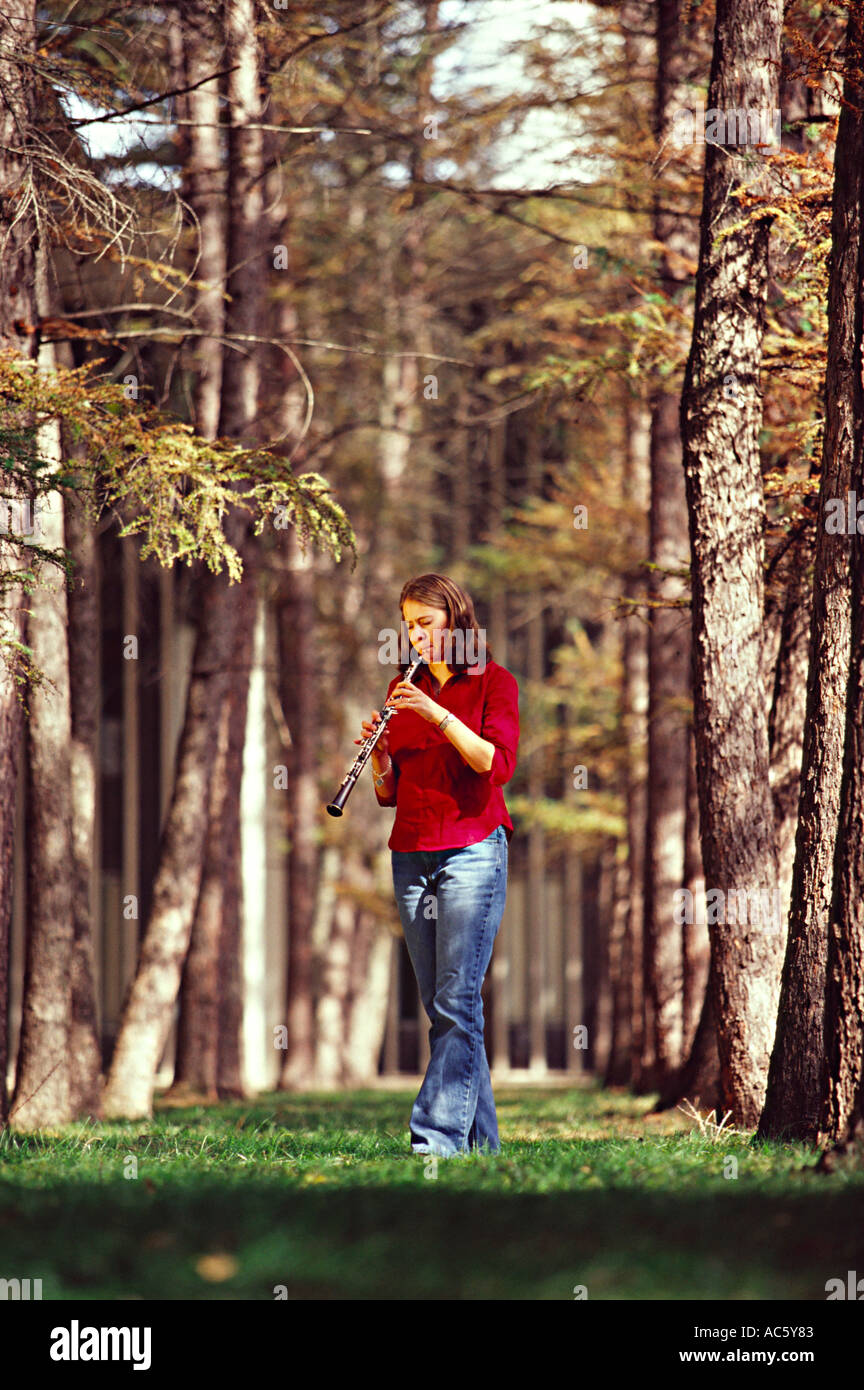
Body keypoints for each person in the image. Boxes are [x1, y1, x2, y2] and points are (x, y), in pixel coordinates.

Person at [355, 573, 519, 1156]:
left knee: (456, 1002)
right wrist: (378, 757)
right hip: (412, 852)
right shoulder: (403, 687)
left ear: (455, 620)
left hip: (472, 849)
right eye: (407, 624)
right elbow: (388, 793)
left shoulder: (492, 683)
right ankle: (485, 1147)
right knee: (447, 1008)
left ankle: (437, 1140)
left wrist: (435, 715)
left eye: (425, 622)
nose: (414, 634)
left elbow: (493, 764)